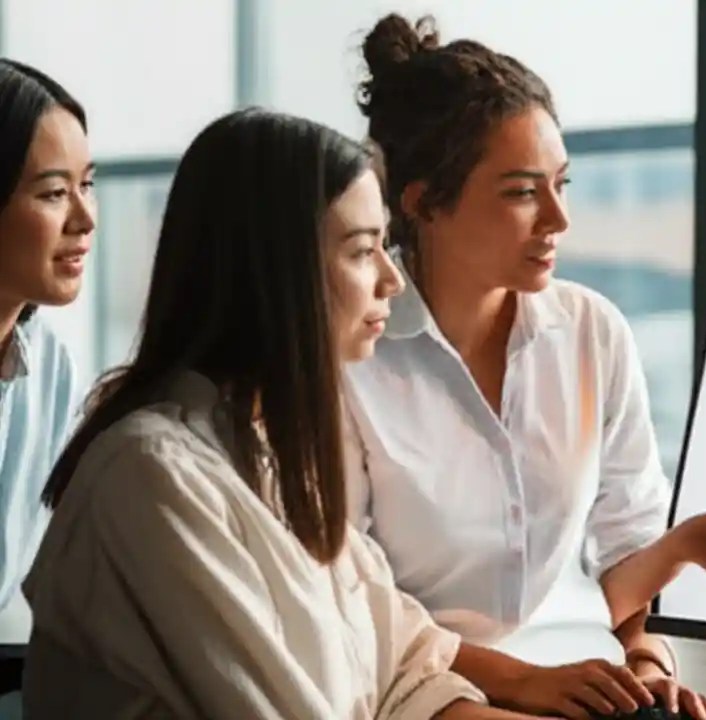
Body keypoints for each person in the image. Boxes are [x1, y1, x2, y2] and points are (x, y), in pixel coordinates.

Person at [342, 14, 706, 720]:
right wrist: (521, 681)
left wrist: (649, 662)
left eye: (562, 183)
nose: (558, 219)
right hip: (439, 699)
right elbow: (354, 612)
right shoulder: (351, 360)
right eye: (522, 192)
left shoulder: (591, 331)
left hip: (594, 691)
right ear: (422, 203)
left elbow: (624, 568)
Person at [21, 108, 540, 719]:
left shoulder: (267, 453)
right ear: (275, 272)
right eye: (361, 251)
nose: (392, 280)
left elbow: (404, 668)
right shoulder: (149, 475)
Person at [0, 59, 94, 713]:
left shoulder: (52, 371)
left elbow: (69, 586)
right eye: (55, 192)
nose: (86, 219)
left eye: (87, 185)